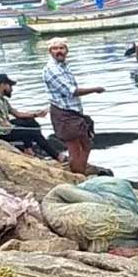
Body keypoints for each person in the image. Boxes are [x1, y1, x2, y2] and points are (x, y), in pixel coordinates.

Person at [42, 37, 103, 174]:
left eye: (61, 48)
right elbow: (71, 91)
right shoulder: (52, 69)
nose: (59, 51)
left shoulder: (64, 67)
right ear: (50, 51)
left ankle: (80, 172)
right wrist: (95, 89)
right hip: (63, 114)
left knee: (86, 144)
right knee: (75, 149)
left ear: (66, 50)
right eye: (55, 49)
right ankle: (78, 176)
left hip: (74, 112)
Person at [0, 73, 62, 162]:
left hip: (7, 128)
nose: (11, 89)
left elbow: (17, 114)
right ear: (3, 85)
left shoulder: (3, 100)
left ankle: (28, 149)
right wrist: (0, 122)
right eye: (10, 86)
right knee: (31, 132)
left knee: (30, 122)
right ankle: (57, 156)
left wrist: (35, 114)